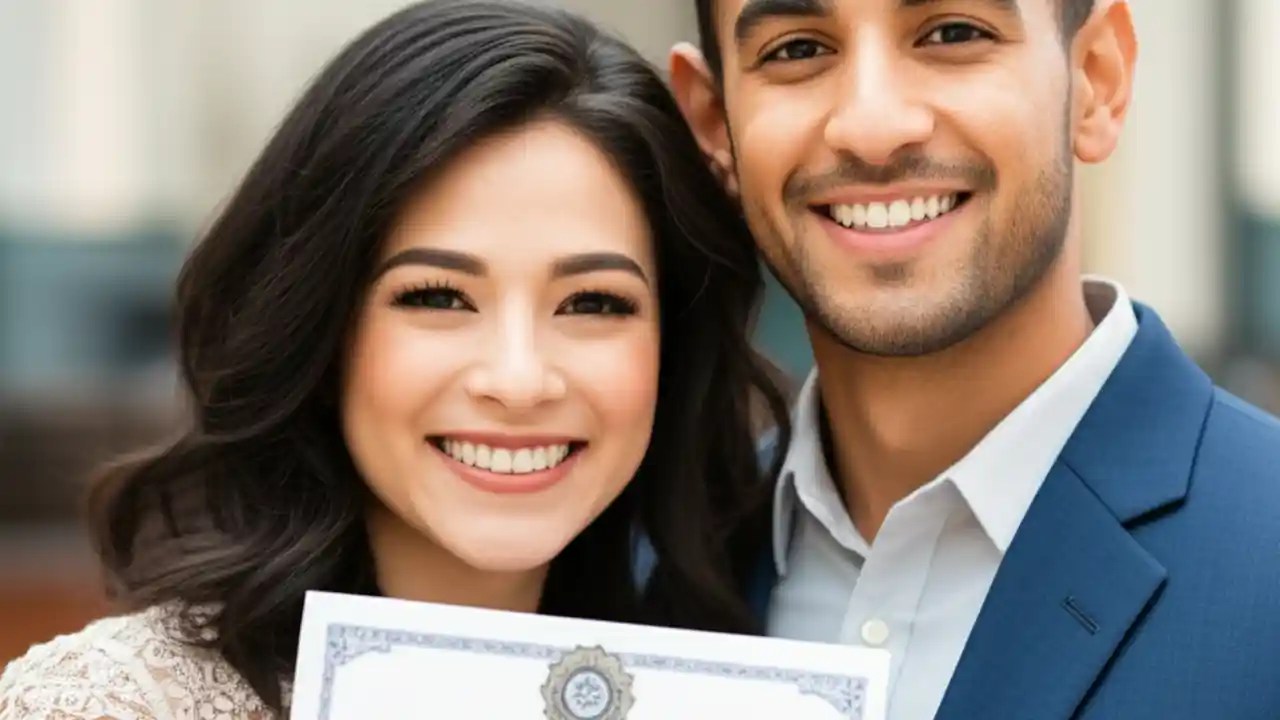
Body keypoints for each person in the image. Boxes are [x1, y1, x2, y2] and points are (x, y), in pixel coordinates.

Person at [0, 2, 790, 717]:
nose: (517, 380)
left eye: (593, 303)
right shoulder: (117, 706)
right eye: (438, 297)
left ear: (670, 346)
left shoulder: (737, 688)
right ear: (324, 327)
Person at [670, 0, 1280, 718]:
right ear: (714, 123)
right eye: (798, 50)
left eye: (954, 33)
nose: (872, 126)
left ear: (1095, 78)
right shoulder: (632, 582)